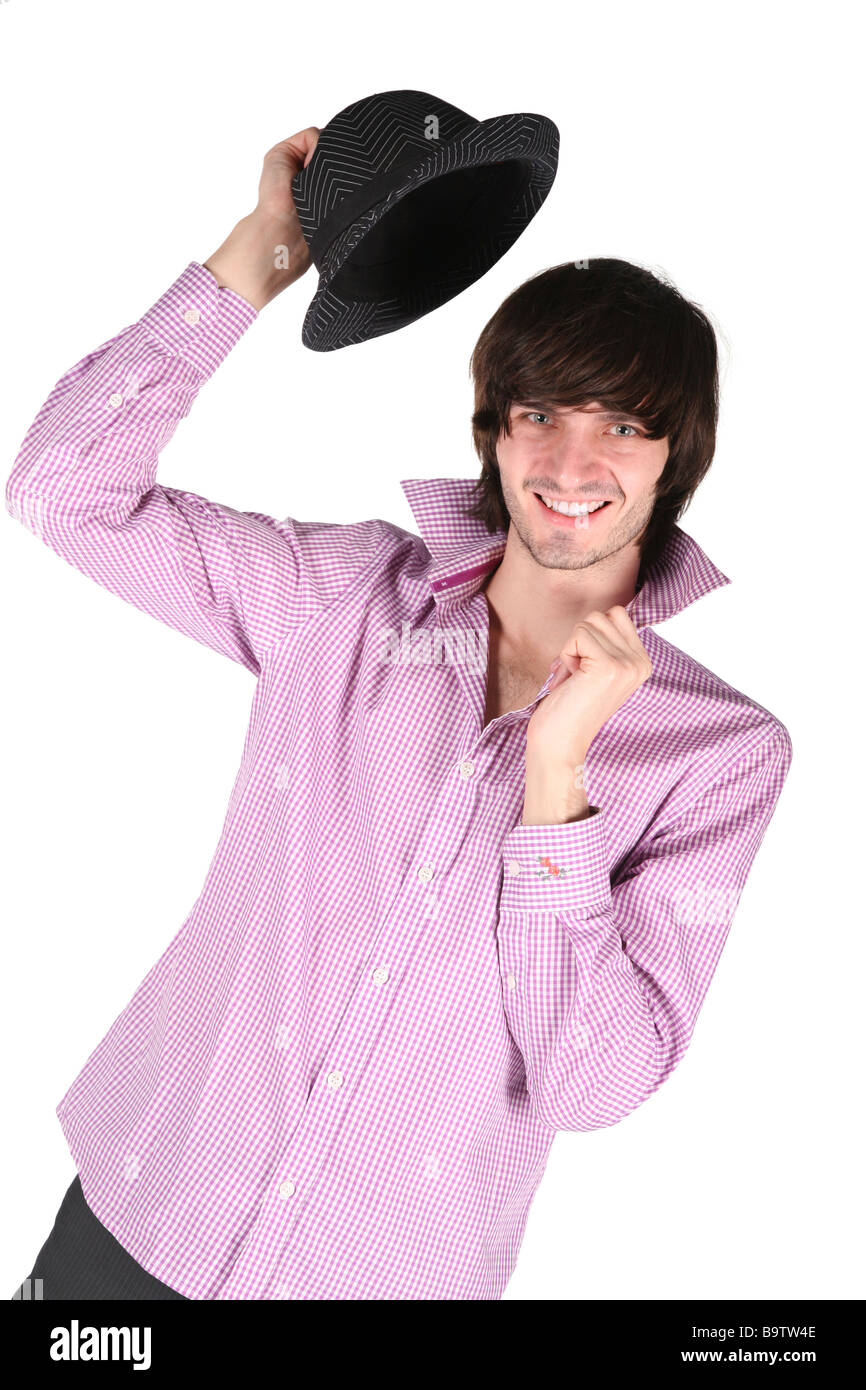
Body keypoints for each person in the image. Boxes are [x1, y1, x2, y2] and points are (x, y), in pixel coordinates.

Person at [7, 127, 792, 1301]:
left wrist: (557, 782)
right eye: (542, 412)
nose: (575, 459)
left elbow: (594, 1084)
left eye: (623, 425)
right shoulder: (341, 600)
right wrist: (256, 258)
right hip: (142, 1222)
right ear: (491, 428)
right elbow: (63, 488)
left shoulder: (719, 755)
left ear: (674, 457)